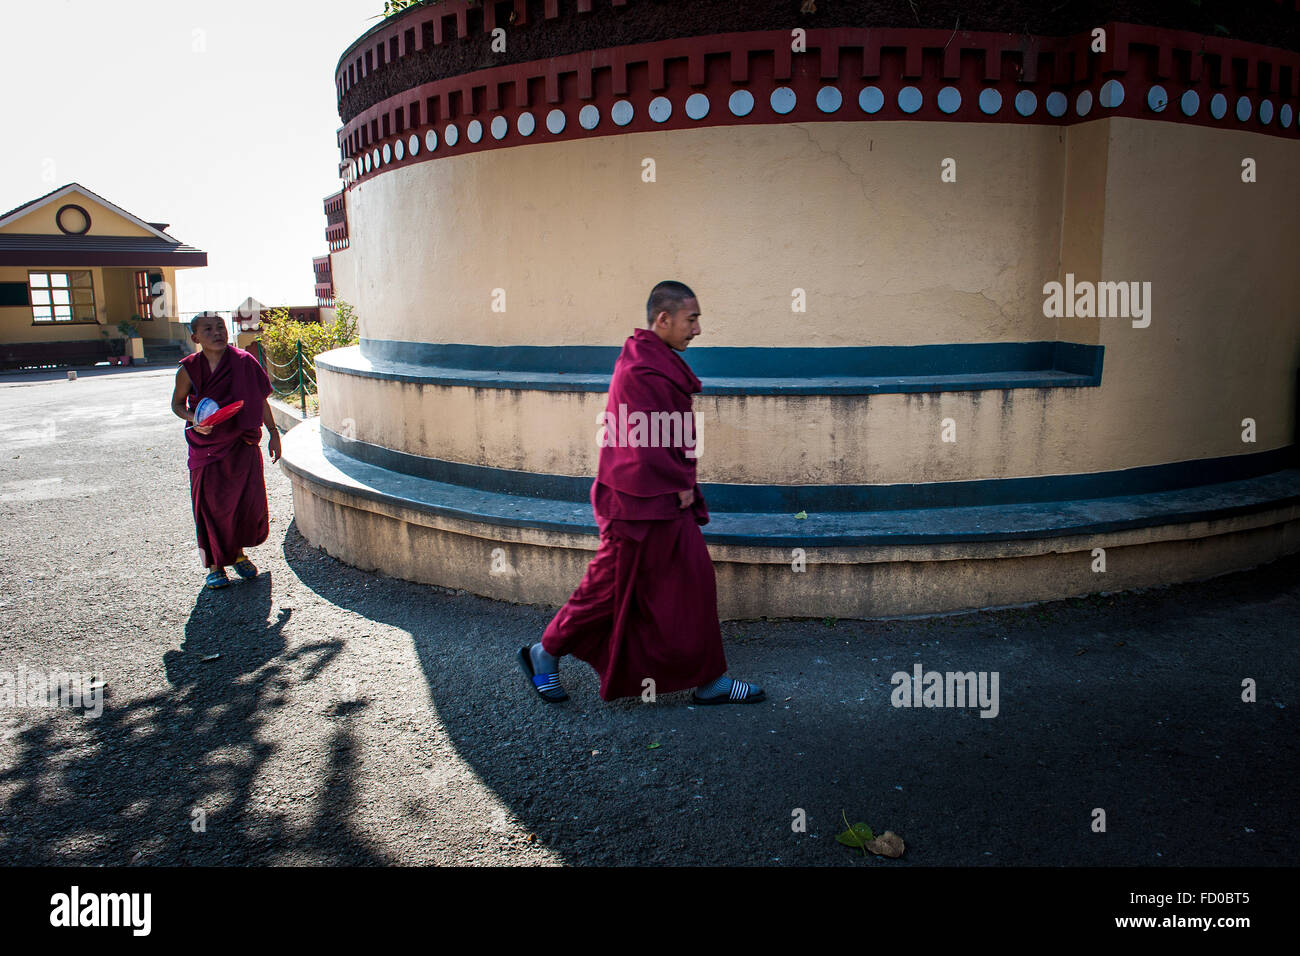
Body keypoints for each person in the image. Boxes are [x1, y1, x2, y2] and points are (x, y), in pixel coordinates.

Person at [518, 281, 764, 706]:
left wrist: (682, 483)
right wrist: (679, 484)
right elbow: (641, 442)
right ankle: (544, 652)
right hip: (635, 504)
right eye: (692, 319)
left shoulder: (656, 361)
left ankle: (710, 680)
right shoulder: (640, 369)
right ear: (663, 319)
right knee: (608, 591)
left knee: (694, 581)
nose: (698, 329)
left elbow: (672, 433)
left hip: (666, 499)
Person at [169, 312, 281, 590]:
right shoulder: (189, 369)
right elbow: (177, 405)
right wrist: (194, 419)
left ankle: (238, 554)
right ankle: (214, 565)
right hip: (206, 446)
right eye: (208, 329)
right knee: (208, 505)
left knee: (243, 501)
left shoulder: (244, 362)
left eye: (220, 327)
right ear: (195, 337)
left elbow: (260, 400)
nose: (217, 333)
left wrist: (274, 433)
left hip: (241, 443)